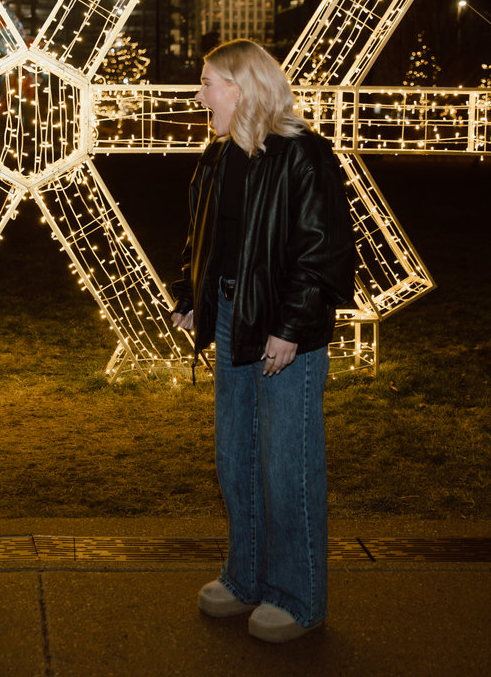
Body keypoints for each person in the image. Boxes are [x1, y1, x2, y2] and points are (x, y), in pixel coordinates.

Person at [170, 39, 355, 643]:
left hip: (282, 328)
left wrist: (292, 329)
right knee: (237, 456)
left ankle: (297, 597)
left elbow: (323, 256)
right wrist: (191, 297)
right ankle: (245, 577)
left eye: (207, 83)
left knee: (286, 465)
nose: (200, 96)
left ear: (242, 87)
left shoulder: (304, 156)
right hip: (229, 316)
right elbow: (201, 235)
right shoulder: (217, 157)